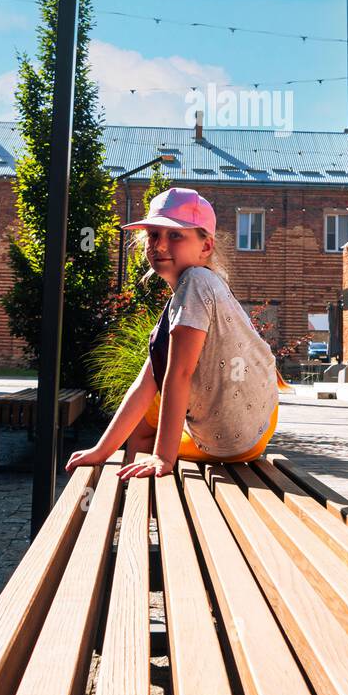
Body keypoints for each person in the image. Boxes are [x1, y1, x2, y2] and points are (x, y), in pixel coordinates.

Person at [65, 187, 281, 480]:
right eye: (153, 235)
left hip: (235, 433)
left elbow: (178, 374)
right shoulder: (198, 288)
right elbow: (148, 381)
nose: (160, 245)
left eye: (176, 235)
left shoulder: (196, 282)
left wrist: (162, 457)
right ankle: (138, 500)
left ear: (206, 247)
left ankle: (138, 510)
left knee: (145, 430)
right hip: (249, 430)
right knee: (144, 416)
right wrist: (101, 450)